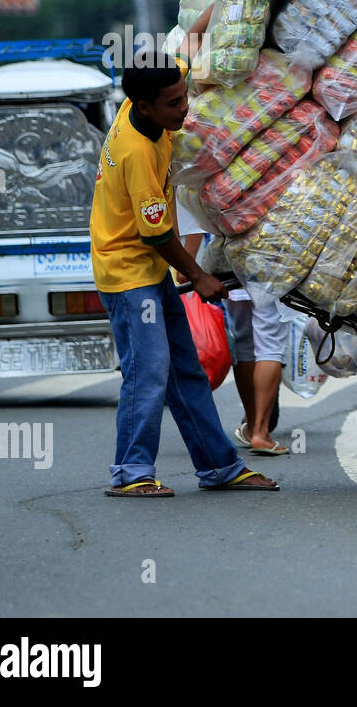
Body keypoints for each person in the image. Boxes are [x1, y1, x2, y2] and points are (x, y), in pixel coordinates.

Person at [91, 50, 278, 496]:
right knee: (149, 370)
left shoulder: (144, 99)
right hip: (128, 272)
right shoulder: (135, 151)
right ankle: (131, 471)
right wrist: (199, 276)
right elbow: (156, 234)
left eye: (183, 97)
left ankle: (219, 466)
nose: (184, 109)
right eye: (174, 103)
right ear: (144, 106)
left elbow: (188, 49)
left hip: (150, 267)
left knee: (185, 370)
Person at [175, 201, 290, 456]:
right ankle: (261, 432)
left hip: (229, 258)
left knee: (244, 341)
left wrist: (188, 262)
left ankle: (251, 425)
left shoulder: (219, 168)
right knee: (269, 343)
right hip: (273, 256)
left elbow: (191, 215)